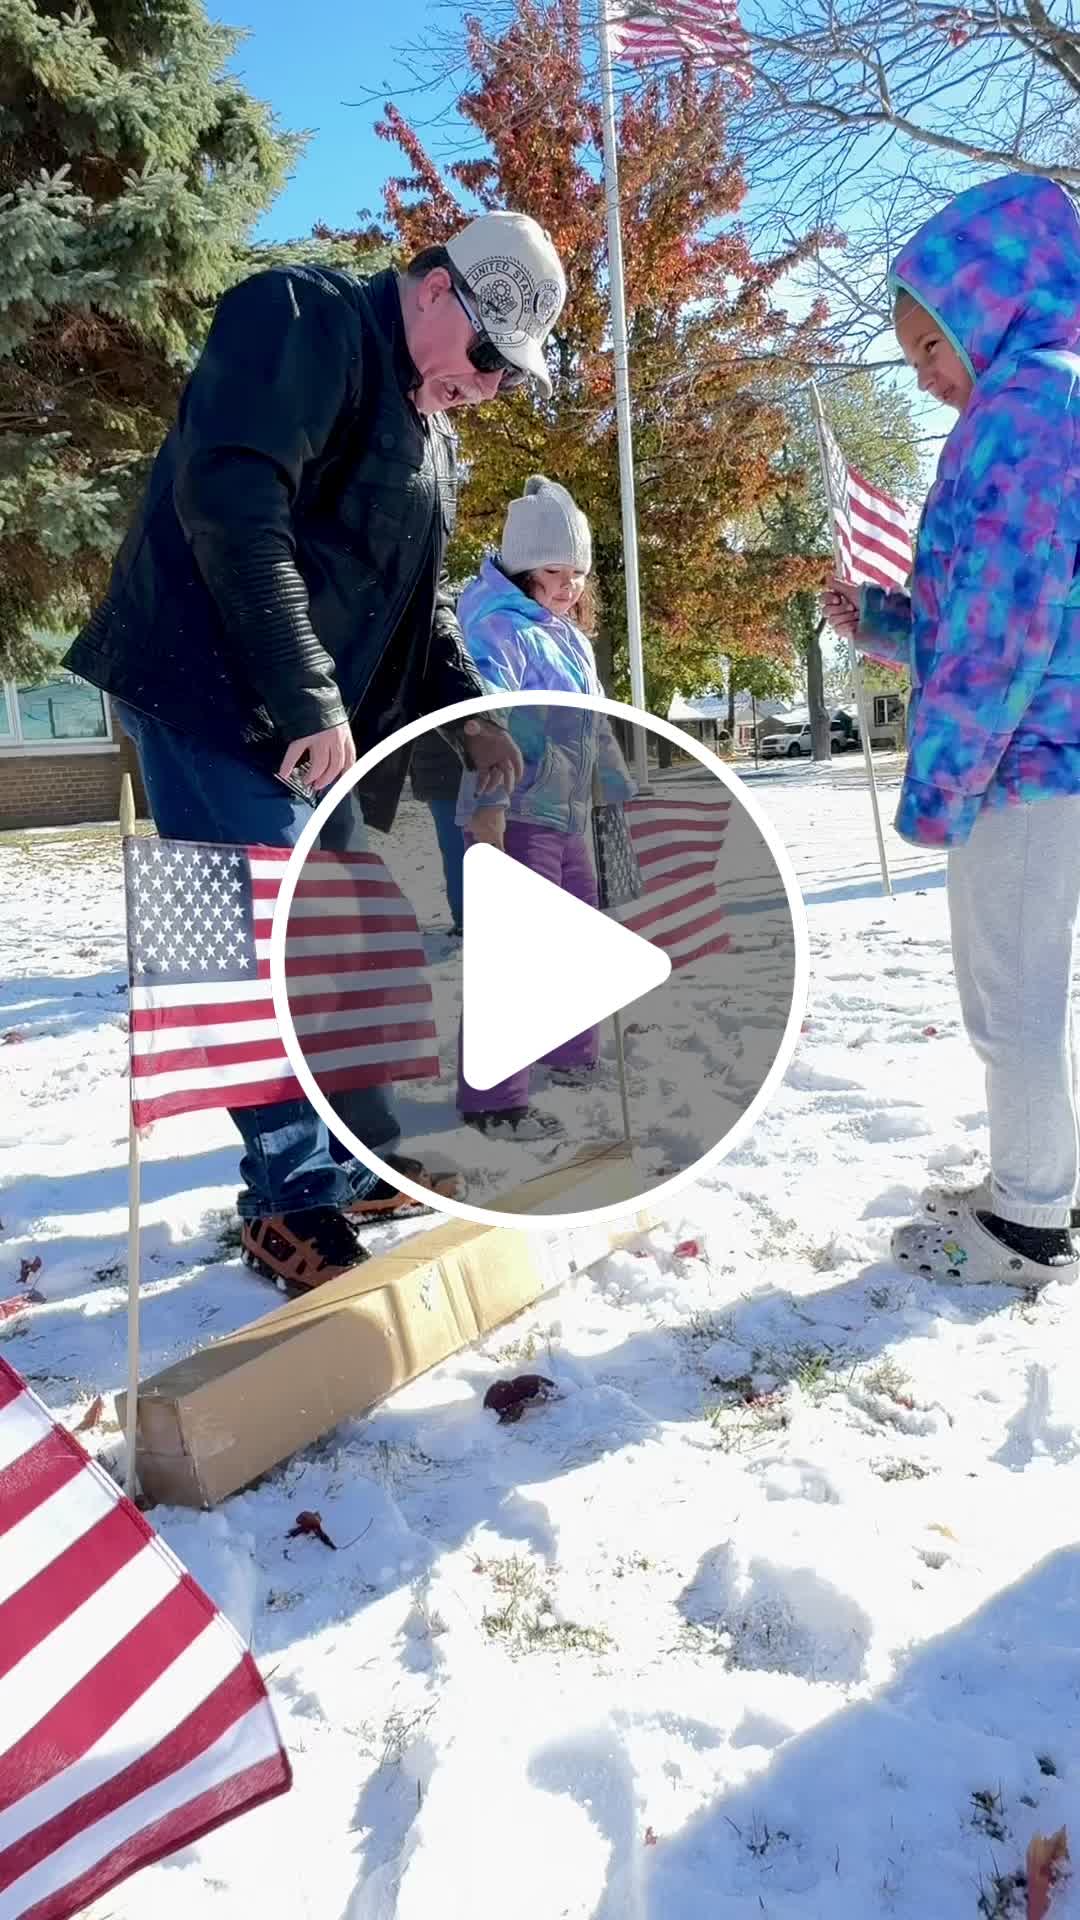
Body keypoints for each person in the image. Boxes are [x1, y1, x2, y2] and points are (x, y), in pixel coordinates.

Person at [65, 213, 567, 1288]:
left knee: (353, 928)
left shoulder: (430, 433)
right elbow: (232, 505)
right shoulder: (301, 318)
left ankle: (361, 1155)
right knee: (251, 943)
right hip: (204, 689)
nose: (487, 388)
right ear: (436, 289)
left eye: (506, 379)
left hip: (308, 721)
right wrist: (303, 693)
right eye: (486, 356)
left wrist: (470, 711)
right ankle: (287, 1198)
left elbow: (415, 609)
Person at [825, 171, 1080, 1290]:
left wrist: (943, 783)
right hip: (1050, 740)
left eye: (933, 346)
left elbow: (1003, 634)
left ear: (990, 303)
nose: (927, 377)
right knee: (1031, 990)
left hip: (1026, 758)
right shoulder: (1050, 401)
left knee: (1007, 996)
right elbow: (1008, 607)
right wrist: (887, 619)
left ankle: (1028, 1221)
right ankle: (1047, 1181)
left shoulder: (1022, 415)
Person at [453, 476, 636, 1140]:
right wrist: (491, 808)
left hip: (567, 815)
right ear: (522, 565)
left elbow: (596, 723)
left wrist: (615, 794)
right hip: (518, 813)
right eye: (555, 570)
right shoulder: (498, 627)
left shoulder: (569, 638)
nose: (569, 585)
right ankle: (493, 1099)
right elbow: (486, 719)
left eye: (578, 573)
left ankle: (570, 1052)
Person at [410, 728, 466, 936]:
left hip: (439, 774)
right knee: (459, 850)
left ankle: (465, 920)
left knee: (455, 851)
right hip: (450, 772)